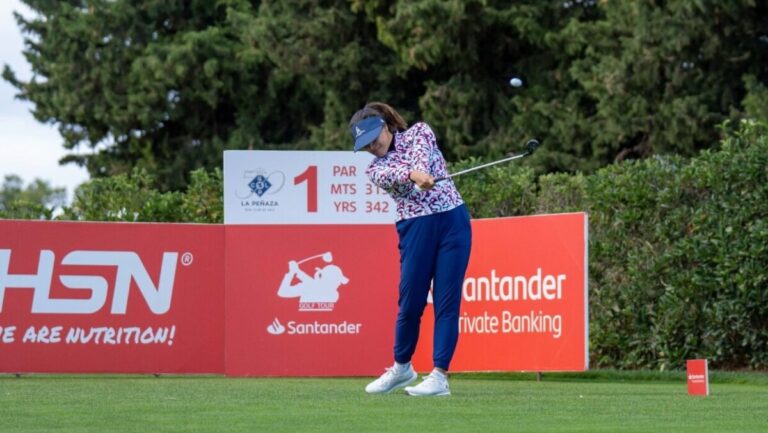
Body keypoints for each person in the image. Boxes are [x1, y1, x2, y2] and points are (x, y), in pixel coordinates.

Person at [349, 102, 472, 396]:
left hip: (452, 221)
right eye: (364, 145)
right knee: (411, 304)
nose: (371, 148)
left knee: (447, 303)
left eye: (373, 140)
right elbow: (397, 177)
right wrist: (414, 176)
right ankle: (402, 368)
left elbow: (420, 153)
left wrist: (420, 170)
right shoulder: (376, 170)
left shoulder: (420, 131)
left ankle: (439, 376)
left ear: (386, 127)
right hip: (416, 227)